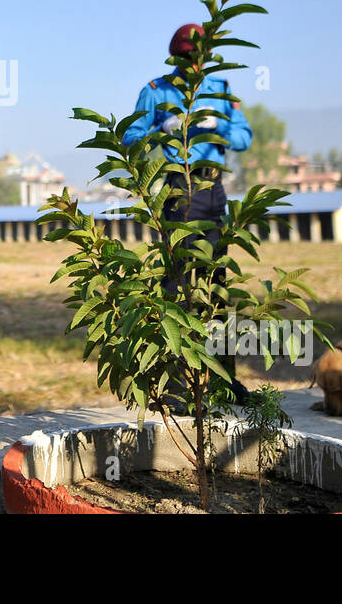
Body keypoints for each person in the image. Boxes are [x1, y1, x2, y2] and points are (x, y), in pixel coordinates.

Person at [124, 22, 252, 402]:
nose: (194, 65)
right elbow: (130, 135)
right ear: (176, 57)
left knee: (215, 289)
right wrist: (163, 130)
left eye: (199, 58)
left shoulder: (222, 91)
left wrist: (219, 128)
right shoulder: (157, 90)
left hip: (214, 189)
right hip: (179, 190)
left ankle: (223, 380)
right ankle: (178, 386)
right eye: (186, 58)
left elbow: (244, 138)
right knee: (177, 289)